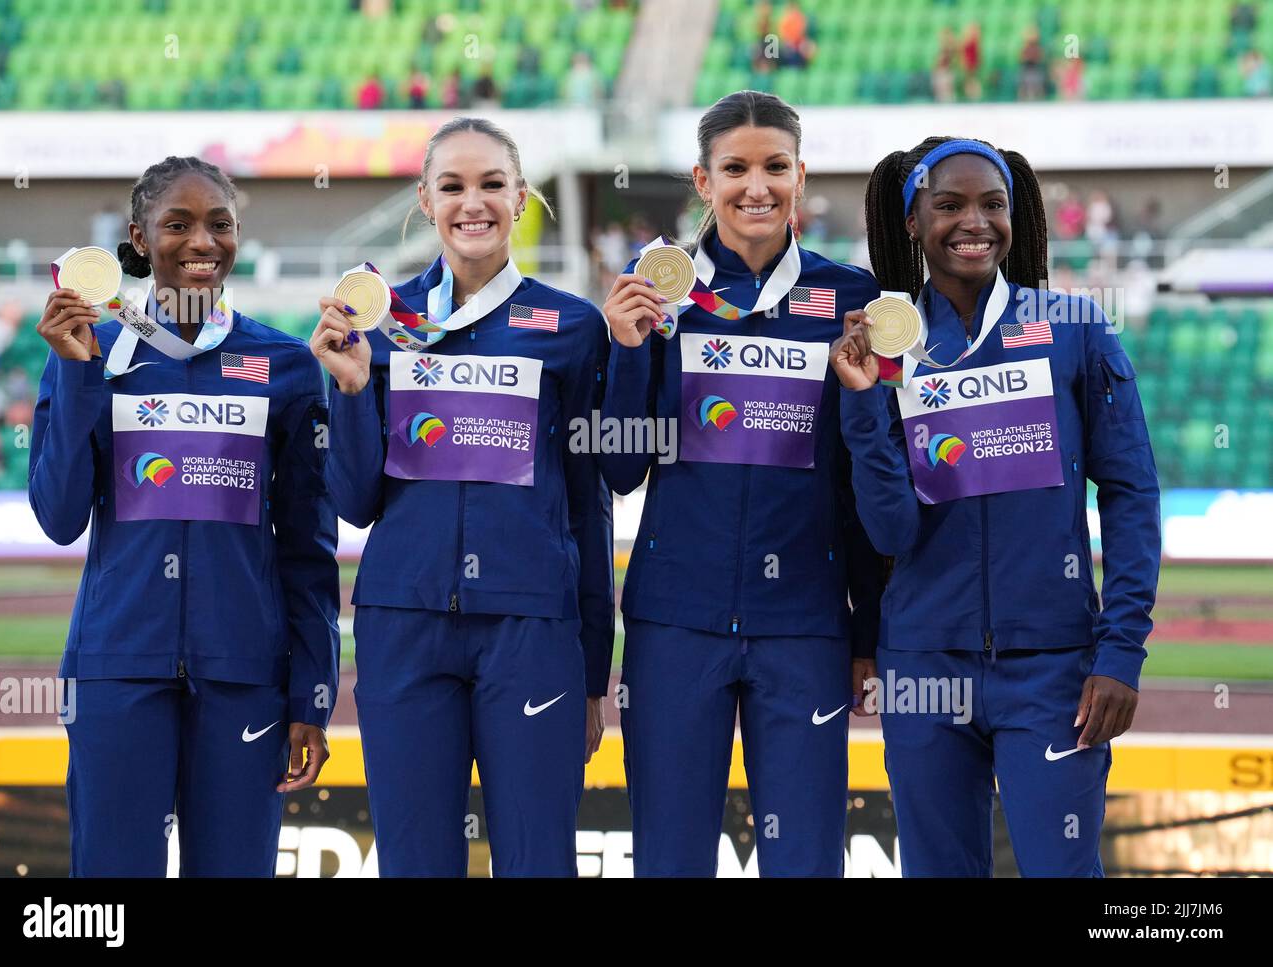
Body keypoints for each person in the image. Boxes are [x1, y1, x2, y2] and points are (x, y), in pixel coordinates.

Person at [831, 136, 1160, 876]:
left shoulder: (1074, 327)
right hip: (921, 663)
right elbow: (890, 529)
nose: (972, 221)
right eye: (948, 205)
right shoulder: (886, 346)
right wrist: (861, 407)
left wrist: (1121, 651)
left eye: (992, 203)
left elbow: (1132, 492)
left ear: (1016, 214)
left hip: (1054, 670)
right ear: (912, 221)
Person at [311, 117, 613, 877]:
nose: (471, 202)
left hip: (531, 630)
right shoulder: (377, 324)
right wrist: (348, 391)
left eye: (490, 185)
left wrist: (592, 674)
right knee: (414, 862)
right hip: (403, 625)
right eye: (451, 186)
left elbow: (589, 503)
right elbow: (352, 499)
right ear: (425, 199)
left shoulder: (573, 328)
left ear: (521, 197)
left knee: (538, 860)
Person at [29, 156, 340, 876]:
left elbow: (307, 547)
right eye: (178, 224)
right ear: (138, 238)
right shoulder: (91, 348)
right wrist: (77, 375)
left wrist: (311, 694)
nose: (203, 242)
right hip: (117, 668)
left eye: (220, 224)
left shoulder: (286, 364)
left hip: (244, 673)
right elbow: (58, 515)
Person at [600, 91, 883, 877]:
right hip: (674, 623)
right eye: (735, 168)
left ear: (801, 176)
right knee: (671, 858)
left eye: (774, 167)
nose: (755, 186)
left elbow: (863, 486)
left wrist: (867, 633)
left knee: (805, 860)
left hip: (804, 627)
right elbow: (621, 468)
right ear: (702, 179)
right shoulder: (658, 292)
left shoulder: (851, 300)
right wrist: (627, 349)